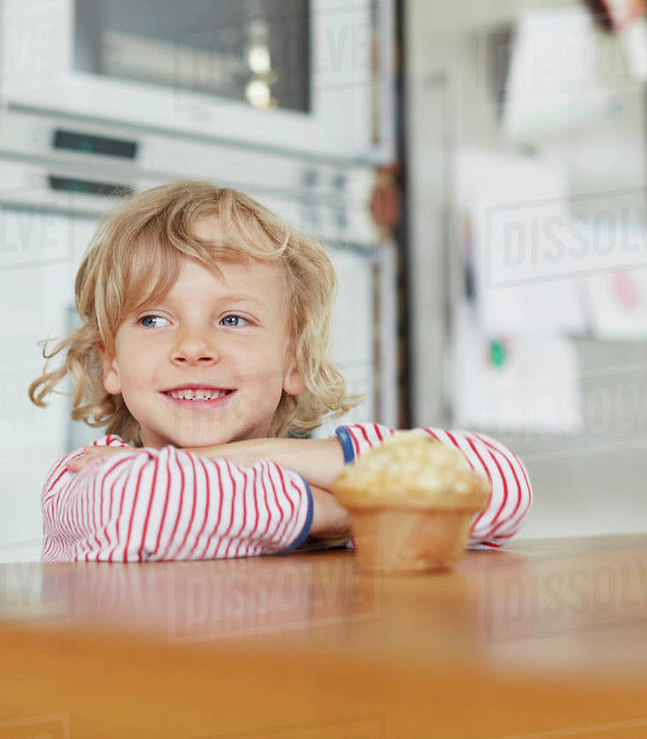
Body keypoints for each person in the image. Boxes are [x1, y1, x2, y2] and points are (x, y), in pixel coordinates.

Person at [29, 181, 531, 562]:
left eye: (232, 319)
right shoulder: (87, 480)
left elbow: (500, 483)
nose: (193, 347)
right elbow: (147, 506)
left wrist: (255, 455)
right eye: (154, 319)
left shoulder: (300, 468)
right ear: (111, 363)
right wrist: (350, 513)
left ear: (293, 361)